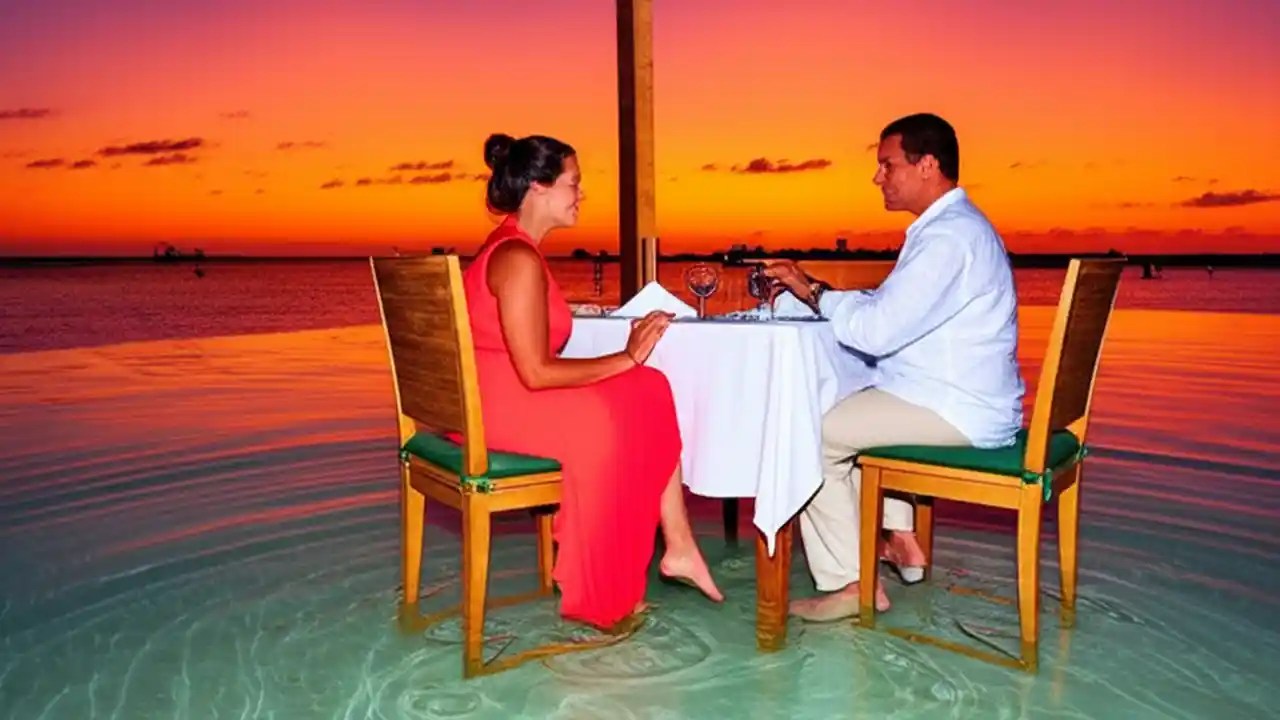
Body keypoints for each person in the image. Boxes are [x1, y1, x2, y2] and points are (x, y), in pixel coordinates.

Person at [764, 113, 1025, 622]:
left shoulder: (949, 238)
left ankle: (850, 583)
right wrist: (823, 296)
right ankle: (901, 539)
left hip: (958, 407)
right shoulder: (950, 228)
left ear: (927, 165)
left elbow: (877, 332)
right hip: (957, 394)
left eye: (887, 164)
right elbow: (892, 309)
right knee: (850, 405)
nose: (877, 176)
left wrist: (814, 293)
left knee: (811, 433)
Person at [461, 132, 723, 630]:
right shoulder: (516, 259)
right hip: (499, 410)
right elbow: (537, 373)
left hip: (497, 397)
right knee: (609, 425)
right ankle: (603, 597)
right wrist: (624, 355)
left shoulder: (513, 251)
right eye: (573, 183)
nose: (581, 194)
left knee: (649, 389)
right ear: (538, 187)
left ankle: (680, 545)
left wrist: (629, 365)